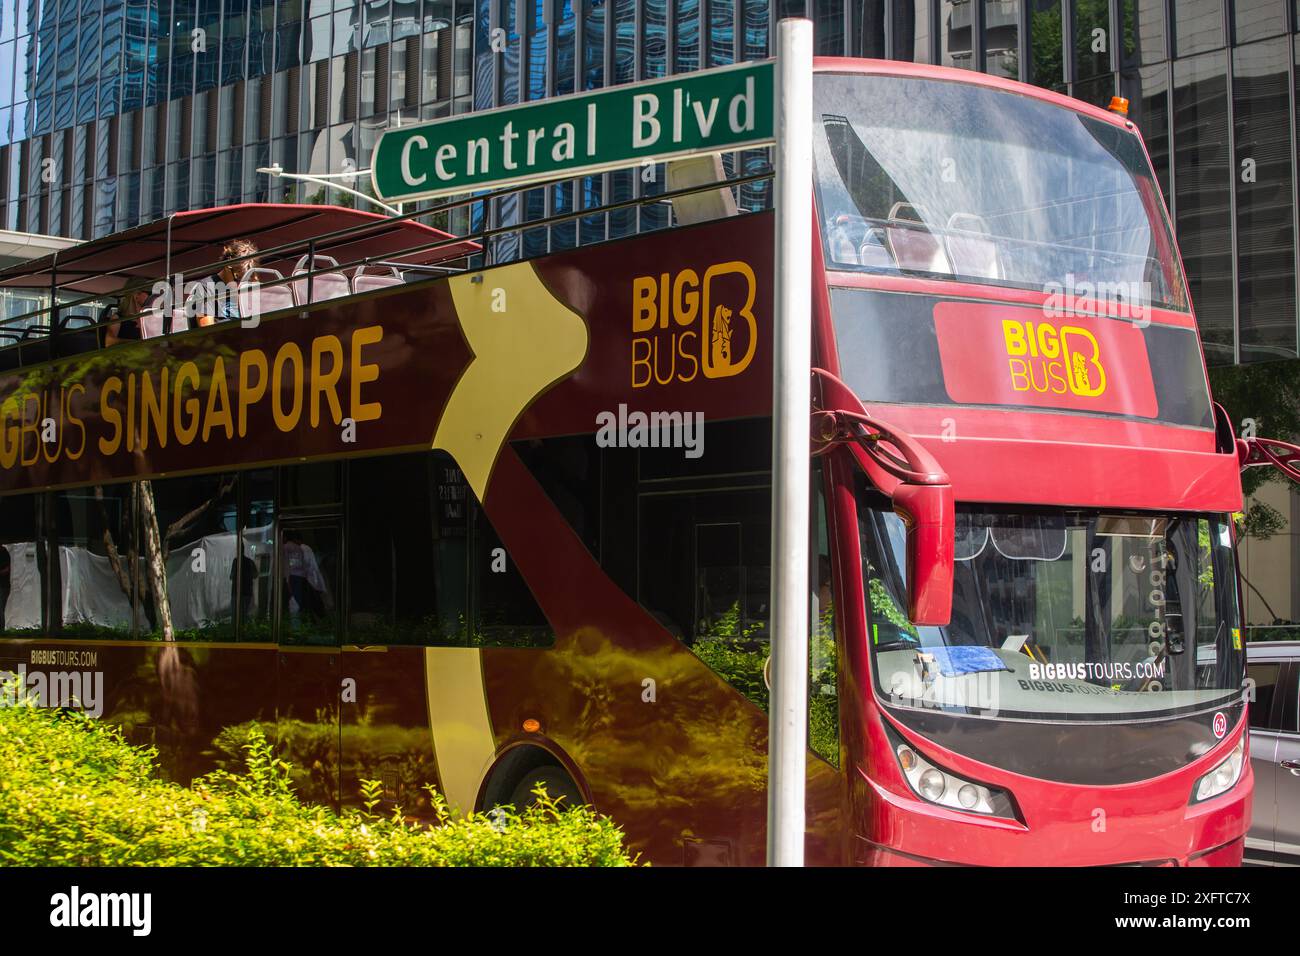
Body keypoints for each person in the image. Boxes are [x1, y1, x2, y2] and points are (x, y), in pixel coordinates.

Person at [195, 239, 259, 326]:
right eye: (238, 278)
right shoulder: (205, 287)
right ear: (228, 267)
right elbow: (206, 329)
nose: (241, 283)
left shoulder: (246, 287)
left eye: (246, 279)